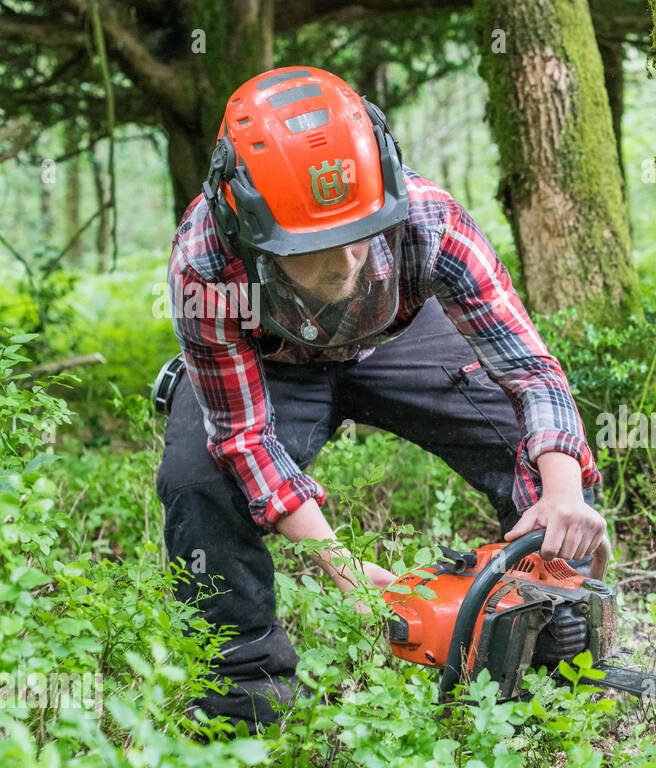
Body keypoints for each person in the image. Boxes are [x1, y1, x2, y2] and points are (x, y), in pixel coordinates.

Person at [154, 65, 605, 732]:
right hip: (272, 365)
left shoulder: (429, 219)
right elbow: (246, 438)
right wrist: (339, 565)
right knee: (197, 477)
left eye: (360, 237)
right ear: (246, 222)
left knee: (540, 452)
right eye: (317, 249)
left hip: (398, 337)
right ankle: (239, 707)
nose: (346, 263)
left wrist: (563, 491)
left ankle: (555, 655)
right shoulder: (205, 259)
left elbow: (530, 369)